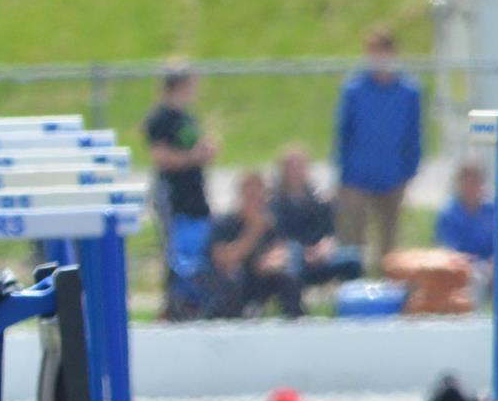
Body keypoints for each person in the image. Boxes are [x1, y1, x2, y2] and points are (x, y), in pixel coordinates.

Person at [334, 28, 422, 273]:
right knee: (353, 241)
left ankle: (389, 295)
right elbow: (343, 133)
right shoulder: (354, 91)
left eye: (381, 52)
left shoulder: (408, 92)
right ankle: (352, 288)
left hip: (393, 177)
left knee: (390, 244)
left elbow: (414, 133)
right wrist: (343, 175)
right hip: (357, 179)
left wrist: (409, 171)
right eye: (371, 52)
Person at [208, 170, 303, 319]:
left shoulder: (272, 222)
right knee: (233, 278)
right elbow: (223, 259)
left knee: (288, 278)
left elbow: (282, 250)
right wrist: (253, 232)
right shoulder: (226, 223)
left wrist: (269, 263)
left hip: (262, 274)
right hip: (237, 277)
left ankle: (294, 320)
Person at [270, 145, 360, 298]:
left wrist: (323, 248)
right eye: (291, 168)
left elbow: (329, 233)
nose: (296, 172)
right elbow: (277, 237)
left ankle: (350, 306)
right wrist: (304, 252)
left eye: (300, 167)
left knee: (353, 257)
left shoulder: (319, 202)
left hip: (319, 255)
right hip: (292, 257)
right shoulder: (274, 204)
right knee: (293, 255)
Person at [142, 64, 216, 229]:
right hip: (174, 194)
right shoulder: (161, 118)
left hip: (195, 191)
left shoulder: (187, 116)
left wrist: (207, 150)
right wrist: (192, 157)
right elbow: (160, 156)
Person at [435, 159, 497, 265]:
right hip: (460, 272)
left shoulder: (493, 212)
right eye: (466, 180)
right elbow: (447, 250)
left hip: (493, 272)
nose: (471, 186)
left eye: (475, 180)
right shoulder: (449, 214)